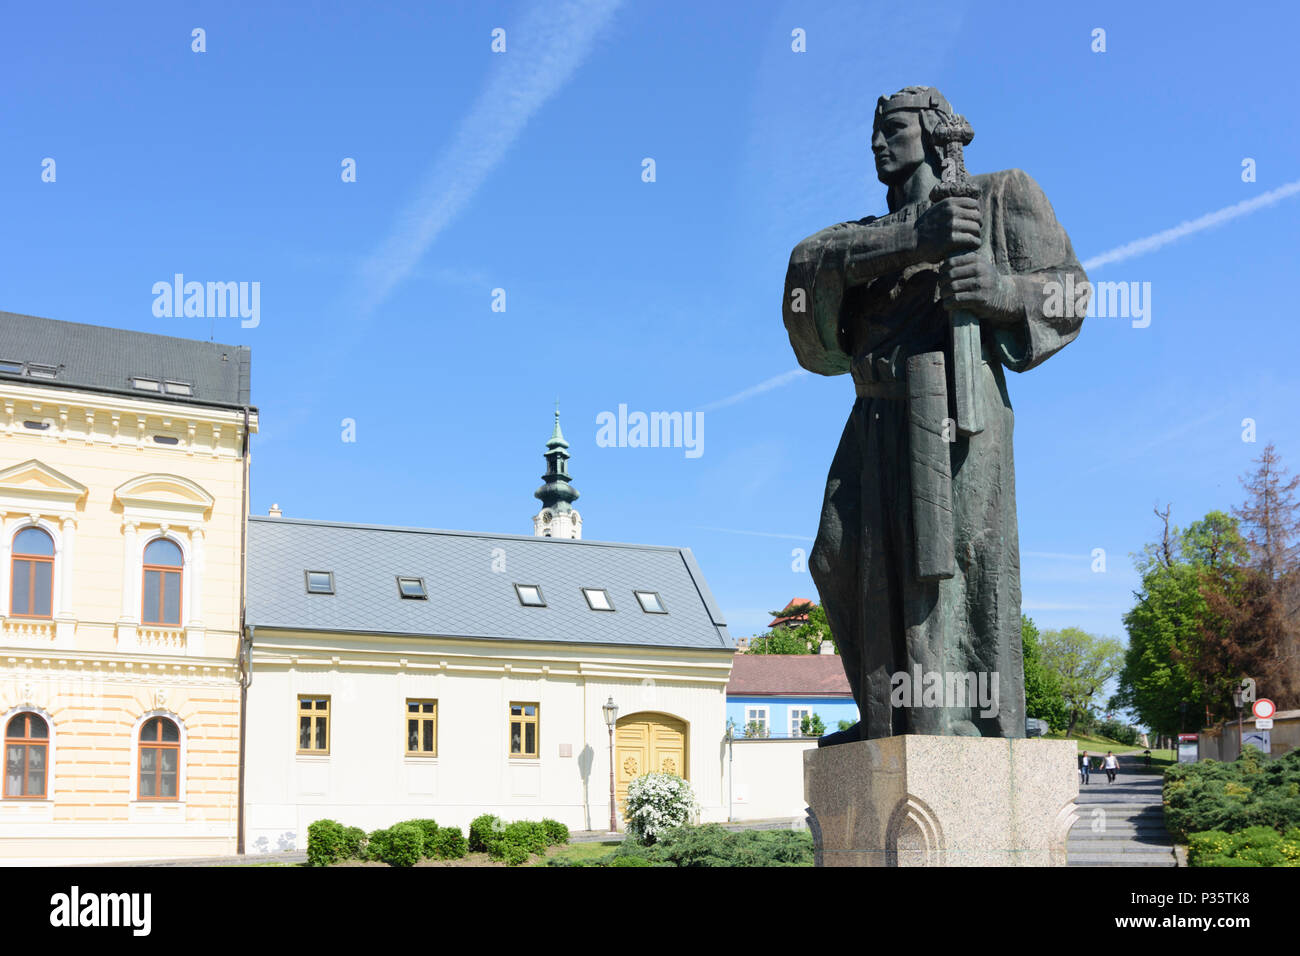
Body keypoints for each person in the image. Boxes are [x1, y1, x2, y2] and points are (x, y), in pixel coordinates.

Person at [785, 87, 1088, 742]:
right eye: (873, 132)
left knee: (949, 561)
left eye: (892, 129)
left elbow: (1072, 290)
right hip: (873, 413)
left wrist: (1004, 291)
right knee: (837, 557)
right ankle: (886, 715)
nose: (876, 144)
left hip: (954, 404)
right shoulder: (858, 238)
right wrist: (907, 241)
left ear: (930, 132)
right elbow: (806, 282)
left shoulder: (1000, 196)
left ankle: (965, 718)